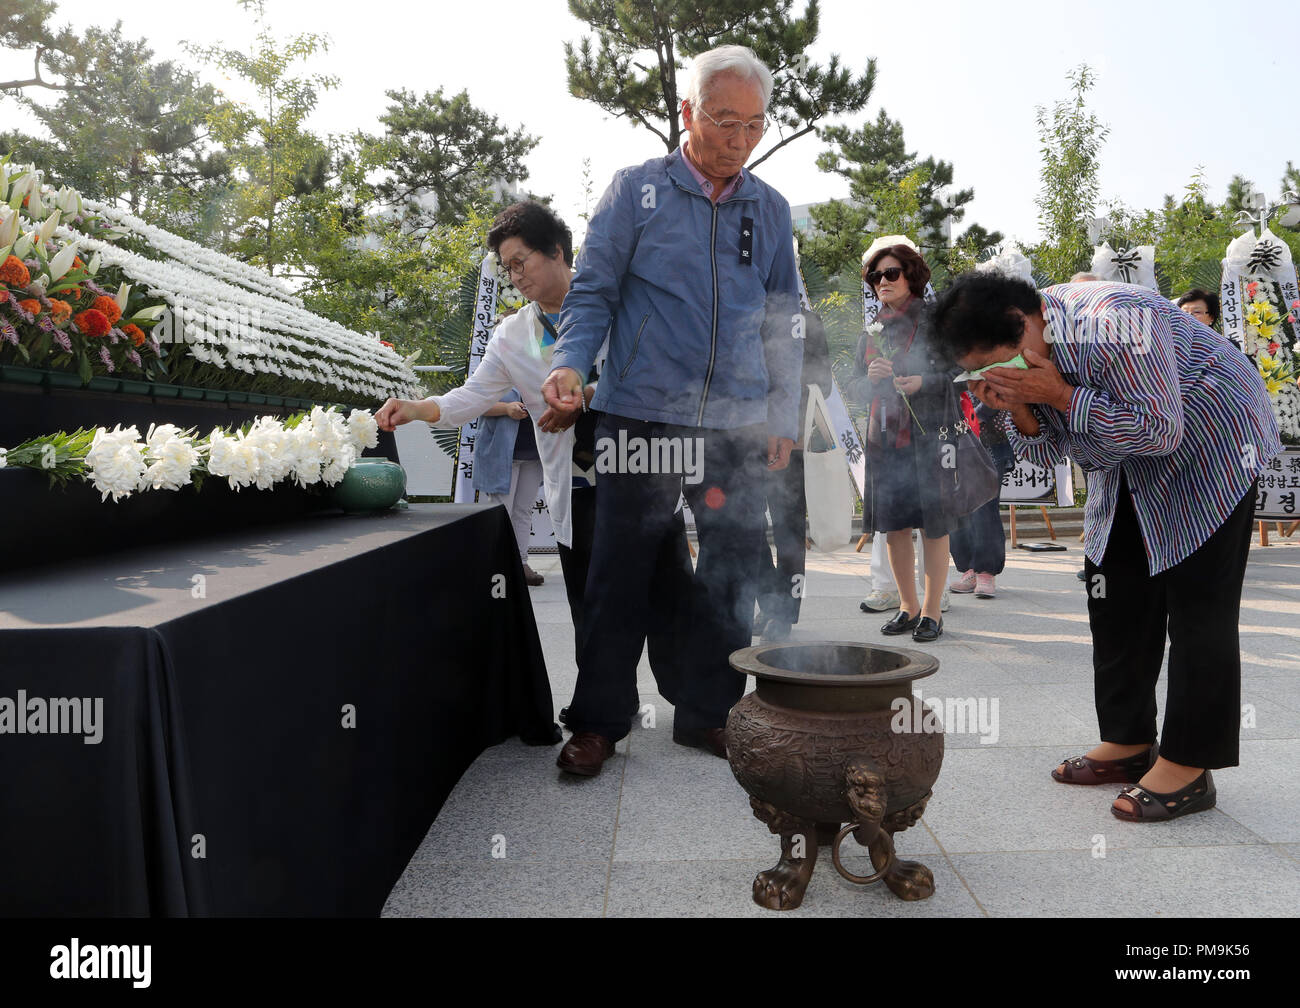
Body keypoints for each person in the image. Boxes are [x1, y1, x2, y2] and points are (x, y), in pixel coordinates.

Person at [930, 272, 1281, 821]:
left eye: (993, 365)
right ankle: (1127, 740)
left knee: (1198, 608)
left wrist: (1059, 394)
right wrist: (1019, 407)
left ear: (1024, 325)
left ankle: (1189, 766)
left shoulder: (1118, 321)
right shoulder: (1023, 358)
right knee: (1113, 593)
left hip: (1213, 447)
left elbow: (1159, 430)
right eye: (975, 373)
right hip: (1122, 465)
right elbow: (1047, 455)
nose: (990, 377)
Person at [541, 44, 803, 775]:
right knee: (618, 568)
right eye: (725, 121)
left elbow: (786, 318)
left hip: (736, 423)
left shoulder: (770, 208)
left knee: (732, 568)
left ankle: (710, 713)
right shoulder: (636, 191)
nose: (739, 140)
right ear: (688, 113)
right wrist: (569, 363)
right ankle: (599, 720)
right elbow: (593, 291)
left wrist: (783, 410)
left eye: (754, 125)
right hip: (642, 413)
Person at [375, 201, 692, 708]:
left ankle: (695, 707)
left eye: (521, 262)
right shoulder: (513, 335)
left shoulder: (623, 305)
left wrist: (586, 397)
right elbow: (472, 396)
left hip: (645, 473)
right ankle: (606, 707)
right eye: (507, 268)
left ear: (558, 251)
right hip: (580, 488)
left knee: (669, 597)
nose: (515, 276)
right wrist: (418, 408)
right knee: (591, 603)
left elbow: (661, 375)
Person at [849, 243, 990, 642]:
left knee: (933, 525)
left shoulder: (938, 324)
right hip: (885, 441)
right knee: (893, 527)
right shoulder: (871, 330)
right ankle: (907, 607)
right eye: (875, 276)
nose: (882, 282)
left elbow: (964, 375)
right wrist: (870, 380)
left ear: (911, 276)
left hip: (930, 439)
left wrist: (924, 382)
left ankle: (932, 611)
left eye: (890, 273)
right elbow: (854, 389)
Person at [754, 305, 832, 642]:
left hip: (788, 439)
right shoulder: (737, 308)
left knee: (788, 530)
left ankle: (784, 612)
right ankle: (770, 601)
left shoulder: (806, 319)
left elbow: (822, 384)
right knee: (745, 524)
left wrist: (791, 427)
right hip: (743, 434)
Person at [476, 388, 546, 585]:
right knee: (501, 512)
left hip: (535, 454)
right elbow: (475, 404)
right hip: (500, 453)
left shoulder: (543, 372)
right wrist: (506, 408)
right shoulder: (493, 370)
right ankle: (497, 564)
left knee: (524, 511)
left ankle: (521, 563)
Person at [948, 394, 1015, 598]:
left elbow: (997, 392)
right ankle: (968, 568)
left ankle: (986, 571)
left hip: (988, 436)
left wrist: (973, 418)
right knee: (957, 504)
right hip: (952, 434)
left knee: (984, 505)